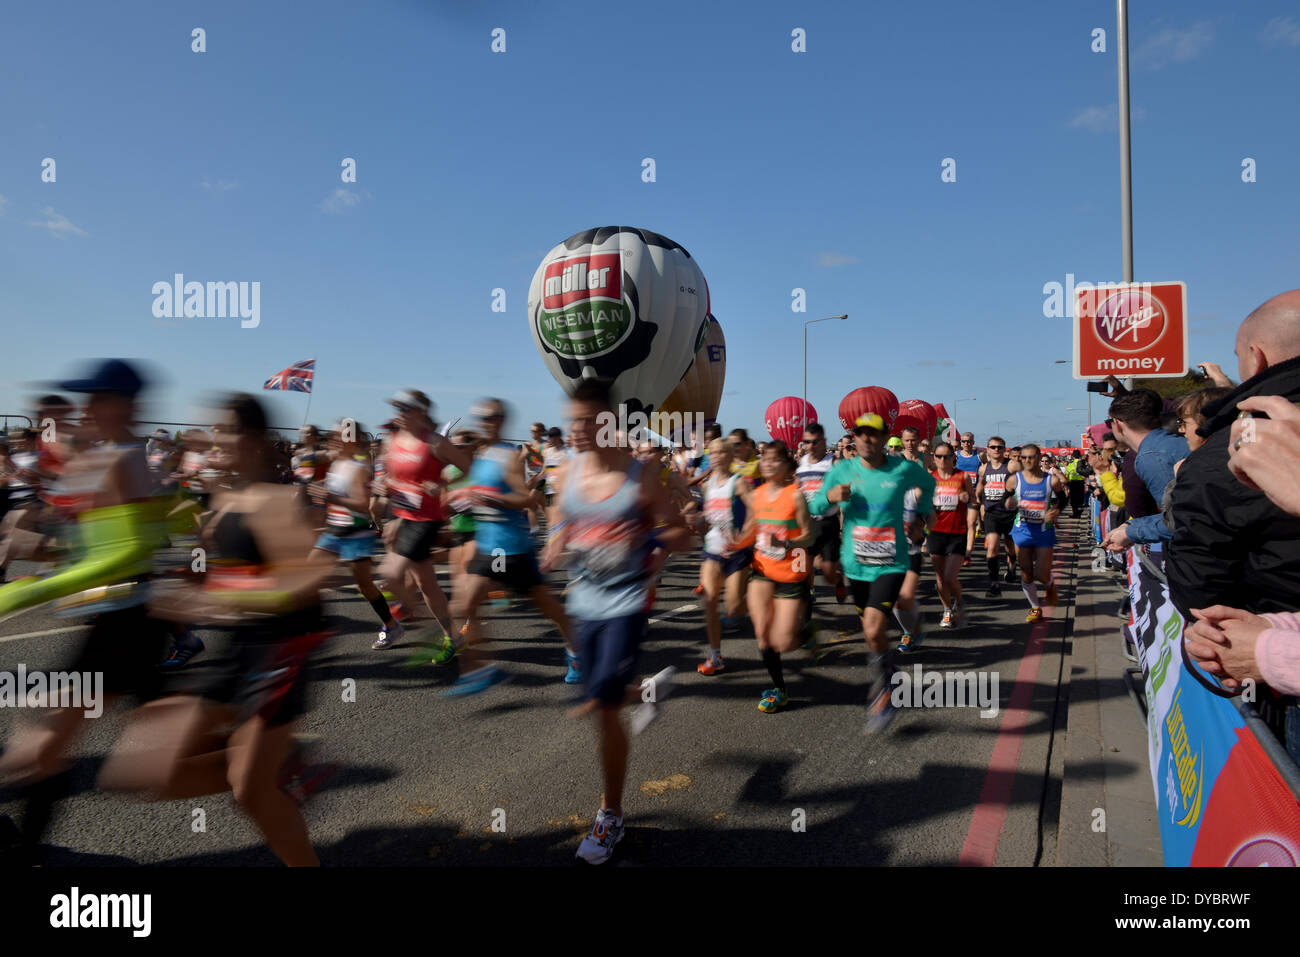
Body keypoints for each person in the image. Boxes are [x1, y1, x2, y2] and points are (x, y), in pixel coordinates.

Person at [97, 392, 334, 866]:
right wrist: (191, 579)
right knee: (140, 771)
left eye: (225, 429)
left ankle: (271, 773)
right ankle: (280, 762)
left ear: (252, 437)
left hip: (282, 649)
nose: (214, 438)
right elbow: (227, 572)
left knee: (250, 791)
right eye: (213, 430)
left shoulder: (279, 498)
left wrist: (215, 597)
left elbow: (309, 581)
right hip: (239, 649)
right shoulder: (221, 499)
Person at [0, 360, 173, 865]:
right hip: (113, 621)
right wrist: (38, 551)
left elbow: (128, 554)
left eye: (96, 399)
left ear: (124, 404)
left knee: (49, 737)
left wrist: (31, 592)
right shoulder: (101, 458)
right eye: (84, 400)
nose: (85, 409)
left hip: (130, 624)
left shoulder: (128, 461)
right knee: (62, 740)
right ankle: (27, 847)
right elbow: (81, 546)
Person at [540, 379, 691, 865]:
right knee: (599, 698)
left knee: (602, 701)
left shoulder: (641, 475)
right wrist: (554, 541)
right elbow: (558, 517)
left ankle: (610, 815)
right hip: (583, 602)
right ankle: (643, 691)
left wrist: (647, 542)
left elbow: (680, 533)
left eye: (587, 420)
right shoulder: (566, 473)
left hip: (627, 599)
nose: (578, 430)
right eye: (573, 421)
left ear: (609, 421)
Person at [1167, 290, 1300, 619]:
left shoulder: (1235, 449)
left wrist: (1260, 650)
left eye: (1238, 356)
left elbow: (1202, 591)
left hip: (1264, 649)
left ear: (1257, 358)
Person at [440, 399, 577, 693]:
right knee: (463, 604)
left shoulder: (509, 456)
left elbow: (525, 499)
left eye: (489, 418)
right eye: (479, 417)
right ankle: (480, 671)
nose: (483, 422)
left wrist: (492, 500)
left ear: (500, 421)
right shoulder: (481, 454)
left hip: (511, 549)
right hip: (487, 545)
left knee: (551, 609)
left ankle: (578, 654)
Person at [808, 413, 934, 732]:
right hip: (856, 565)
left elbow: (928, 484)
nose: (866, 439)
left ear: (883, 438)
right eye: (860, 434)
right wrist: (830, 497)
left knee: (875, 628)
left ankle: (883, 691)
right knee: (869, 631)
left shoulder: (901, 469)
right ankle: (889, 674)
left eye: (873, 435)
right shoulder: (842, 470)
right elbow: (816, 506)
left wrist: (921, 518)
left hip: (891, 562)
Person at [373, 389, 470, 649]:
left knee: (389, 575)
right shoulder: (391, 440)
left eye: (404, 408)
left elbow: (469, 468)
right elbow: (389, 476)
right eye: (396, 408)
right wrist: (384, 485)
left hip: (426, 518)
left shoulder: (435, 443)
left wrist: (442, 483)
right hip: (402, 515)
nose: (398, 414)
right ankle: (454, 636)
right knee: (427, 584)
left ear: (420, 412)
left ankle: (405, 622)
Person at [746, 441, 815, 713]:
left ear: (787, 465)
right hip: (761, 571)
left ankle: (807, 633)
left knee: (783, 641)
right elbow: (752, 530)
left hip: (790, 570)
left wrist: (787, 542)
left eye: (775, 459)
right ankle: (779, 690)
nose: (768, 463)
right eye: (764, 458)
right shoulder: (756, 494)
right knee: (763, 636)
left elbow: (809, 535)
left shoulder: (795, 495)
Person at [692, 437, 754, 674]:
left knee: (734, 606)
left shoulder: (739, 484)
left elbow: (755, 511)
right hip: (713, 551)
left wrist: (745, 536)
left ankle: (752, 602)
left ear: (729, 456)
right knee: (709, 602)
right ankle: (715, 655)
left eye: (721, 452)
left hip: (737, 553)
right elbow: (706, 520)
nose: (716, 456)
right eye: (713, 452)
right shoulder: (707, 486)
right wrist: (696, 522)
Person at [1101, 390, 1187, 551]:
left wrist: (1131, 533)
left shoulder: (1151, 457)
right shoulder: (1170, 443)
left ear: (1118, 424)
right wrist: (1131, 525)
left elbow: (1182, 521)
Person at [1004, 444, 1062, 622]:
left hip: (1044, 531)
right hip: (1022, 531)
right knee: (1027, 573)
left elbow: (1063, 498)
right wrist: (1010, 502)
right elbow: (1005, 500)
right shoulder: (1015, 480)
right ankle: (1035, 608)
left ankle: (1050, 584)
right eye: (1024, 457)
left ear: (1038, 458)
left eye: (1031, 457)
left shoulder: (1051, 480)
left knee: (1041, 574)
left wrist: (1055, 510)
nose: (1028, 460)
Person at [927, 442, 977, 630]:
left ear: (953, 458)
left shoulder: (962, 476)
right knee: (940, 578)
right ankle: (947, 610)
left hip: (957, 533)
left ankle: (960, 600)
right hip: (936, 533)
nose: (942, 460)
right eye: (938, 456)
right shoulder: (929, 479)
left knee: (949, 577)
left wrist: (967, 499)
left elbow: (973, 500)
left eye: (946, 456)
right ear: (934, 458)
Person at [796, 422, 846, 604]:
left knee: (827, 571)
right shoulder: (800, 464)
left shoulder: (832, 462)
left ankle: (838, 580)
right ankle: (808, 595)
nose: (811, 446)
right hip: (807, 522)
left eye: (815, 442)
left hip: (827, 522)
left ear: (824, 441)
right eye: (806, 442)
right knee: (804, 564)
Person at [975, 435, 1019, 597]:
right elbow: (980, 484)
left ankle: (1011, 567)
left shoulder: (1013, 466)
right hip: (992, 513)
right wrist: (978, 500)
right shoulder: (983, 468)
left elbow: (1025, 482)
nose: (996, 450)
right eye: (993, 447)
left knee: (1010, 546)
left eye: (1000, 447)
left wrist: (1016, 499)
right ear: (987, 449)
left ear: (1004, 449)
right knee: (992, 547)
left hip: (1010, 514)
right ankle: (994, 584)